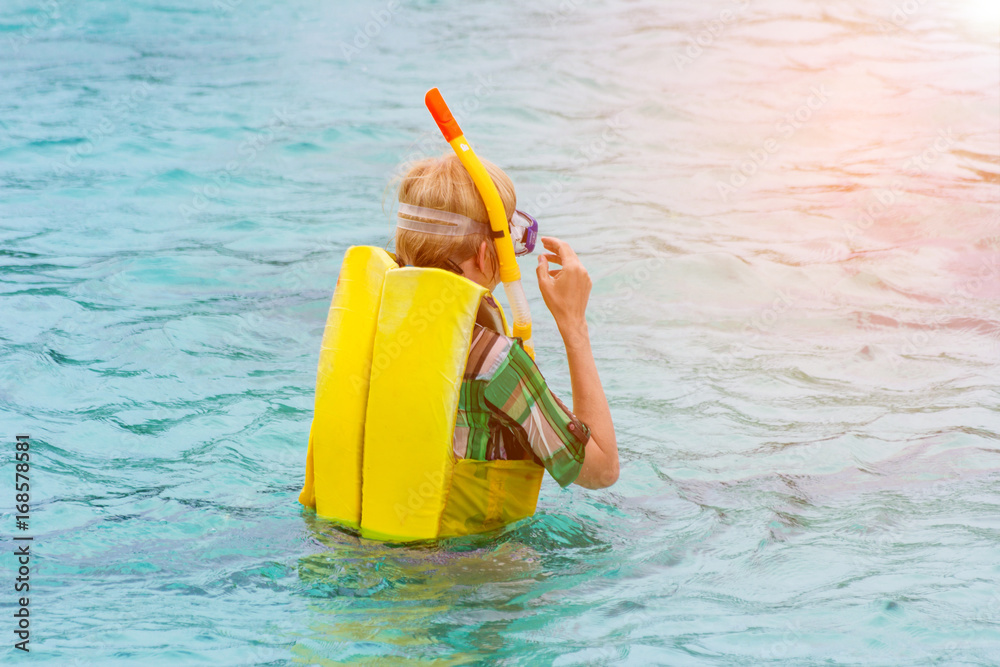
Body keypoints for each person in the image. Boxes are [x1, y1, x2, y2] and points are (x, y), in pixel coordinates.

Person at [395, 154, 619, 490]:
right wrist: (574, 326)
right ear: (486, 255)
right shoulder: (495, 362)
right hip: (469, 545)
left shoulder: (369, 325)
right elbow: (601, 471)